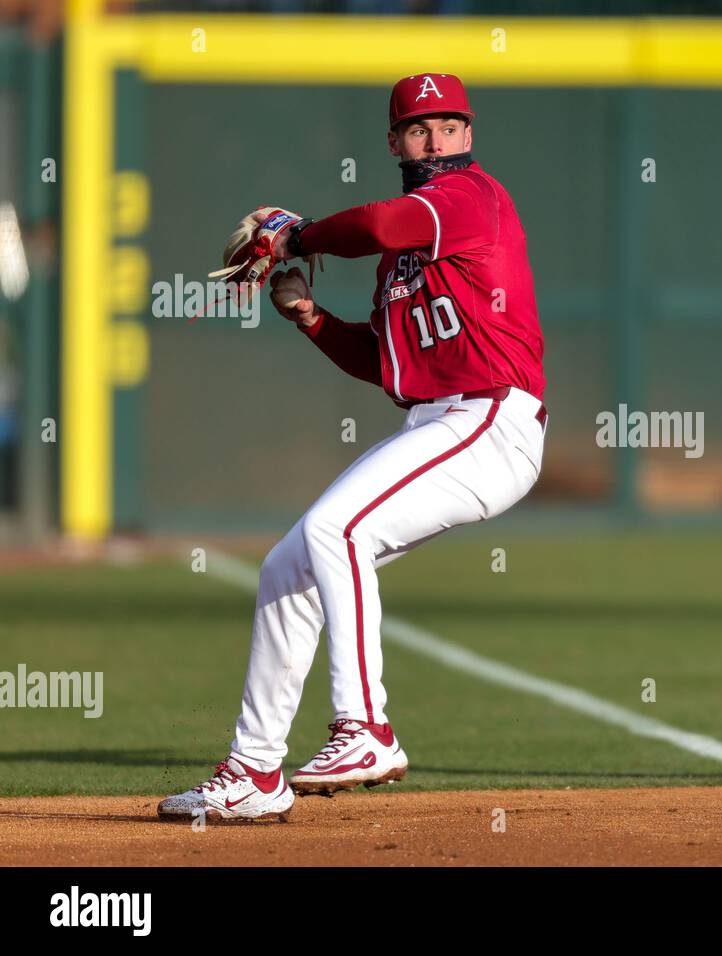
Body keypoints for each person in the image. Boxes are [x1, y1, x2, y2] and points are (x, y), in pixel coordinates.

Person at [160, 72, 547, 821]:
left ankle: (366, 726)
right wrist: (308, 316)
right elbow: (382, 362)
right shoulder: (401, 263)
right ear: (395, 142)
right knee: (289, 567)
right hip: (440, 422)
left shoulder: (473, 198)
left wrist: (296, 234)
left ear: (470, 136)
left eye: (450, 126)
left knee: (338, 528)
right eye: (419, 129)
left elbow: (375, 223)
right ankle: (255, 773)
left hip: (490, 418)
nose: (436, 141)